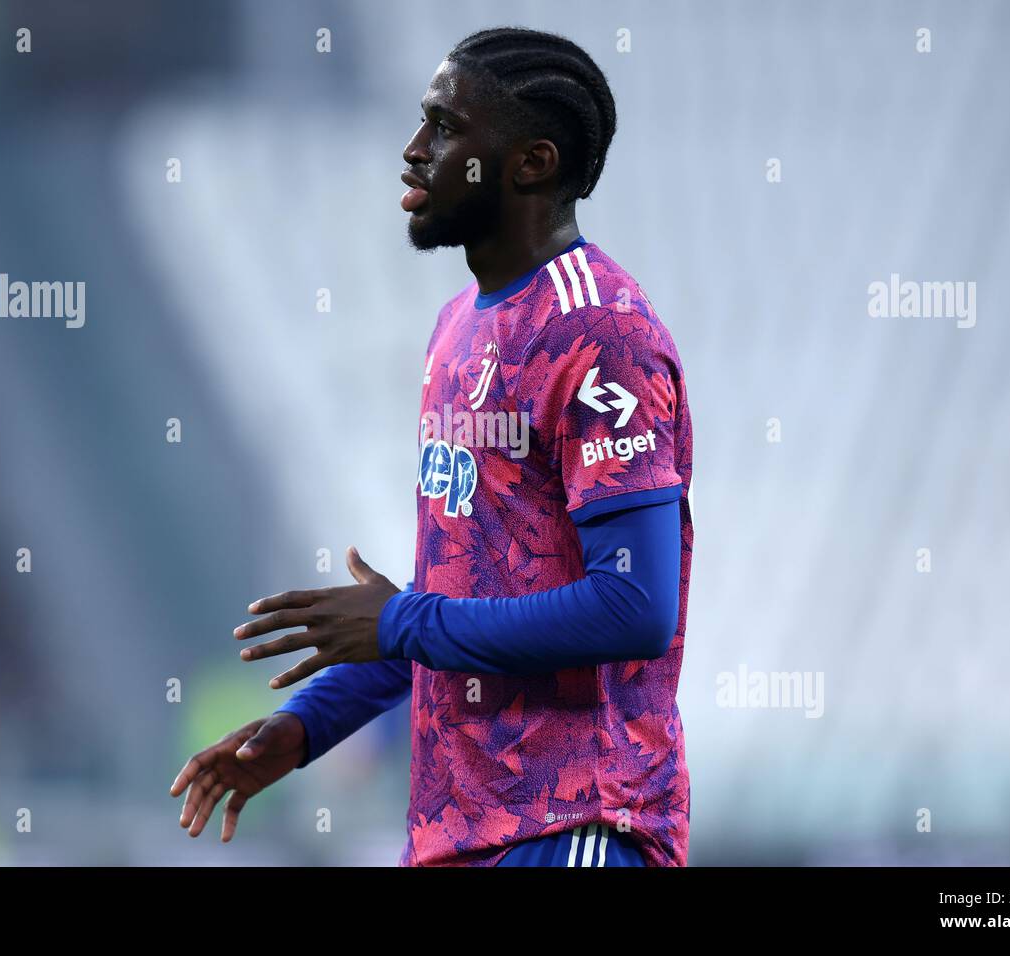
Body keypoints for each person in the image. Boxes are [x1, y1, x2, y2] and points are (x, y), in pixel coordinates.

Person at [170, 27, 694, 867]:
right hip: (462, 836)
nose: (414, 152)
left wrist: (401, 621)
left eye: (446, 129)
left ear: (530, 163)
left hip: (575, 829)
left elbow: (634, 606)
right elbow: (462, 605)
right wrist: (308, 726)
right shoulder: (458, 328)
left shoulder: (599, 333)